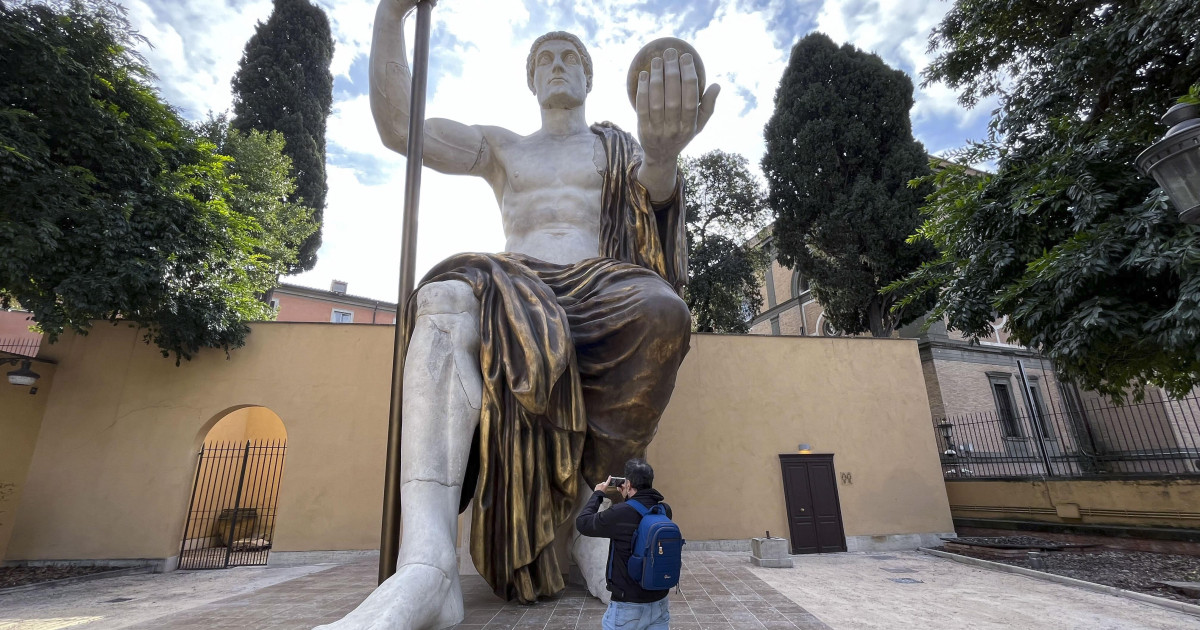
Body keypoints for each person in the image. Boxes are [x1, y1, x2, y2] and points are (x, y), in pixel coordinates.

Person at [317, 1, 718, 627]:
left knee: (663, 311)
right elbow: (402, 129)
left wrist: (663, 156)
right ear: (532, 81)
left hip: (603, 285)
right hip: (518, 285)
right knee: (444, 295)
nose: (558, 67)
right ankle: (425, 564)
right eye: (545, 61)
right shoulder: (503, 148)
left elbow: (656, 205)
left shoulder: (618, 148)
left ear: (588, 79)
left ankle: (597, 528)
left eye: (570, 60)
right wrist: (391, 15)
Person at [576, 459, 672, 630]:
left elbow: (583, 523)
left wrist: (598, 494)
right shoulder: (664, 510)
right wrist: (627, 499)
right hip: (659, 602)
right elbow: (637, 516)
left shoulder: (620, 513)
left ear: (628, 484)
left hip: (628, 606)